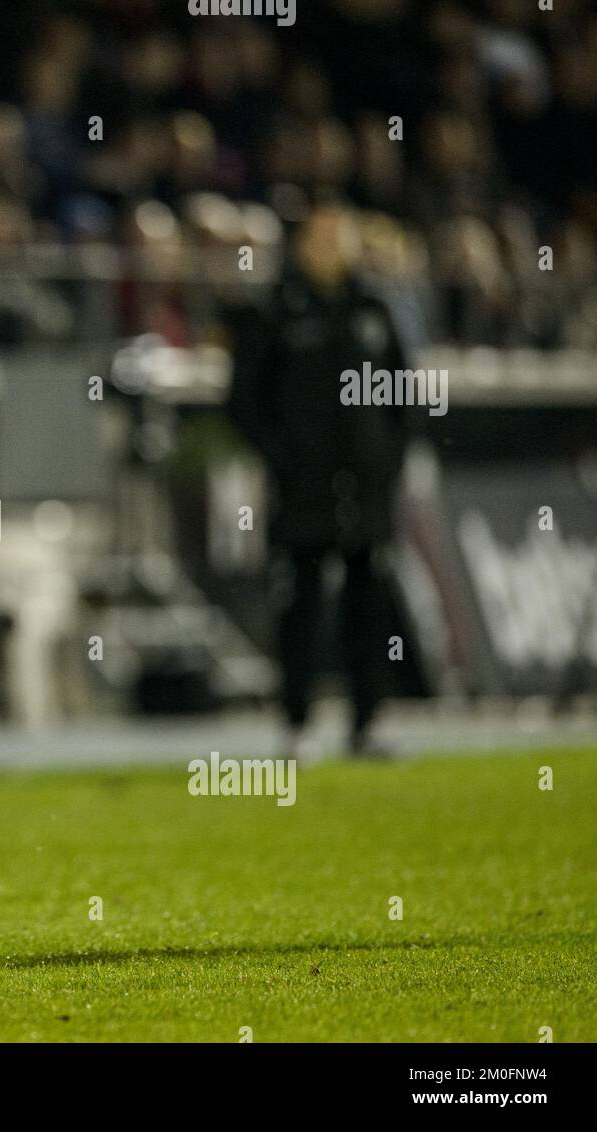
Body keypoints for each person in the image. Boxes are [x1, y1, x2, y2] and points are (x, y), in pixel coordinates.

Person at [228, 204, 408, 757]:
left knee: (368, 605)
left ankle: (366, 724)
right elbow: (244, 401)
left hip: (365, 487)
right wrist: (284, 459)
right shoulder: (276, 311)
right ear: (302, 243)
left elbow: (402, 391)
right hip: (303, 488)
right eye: (323, 235)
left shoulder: (373, 310)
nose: (334, 246)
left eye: (343, 235)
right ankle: (295, 725)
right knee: (299, 606)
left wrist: (389, 457)